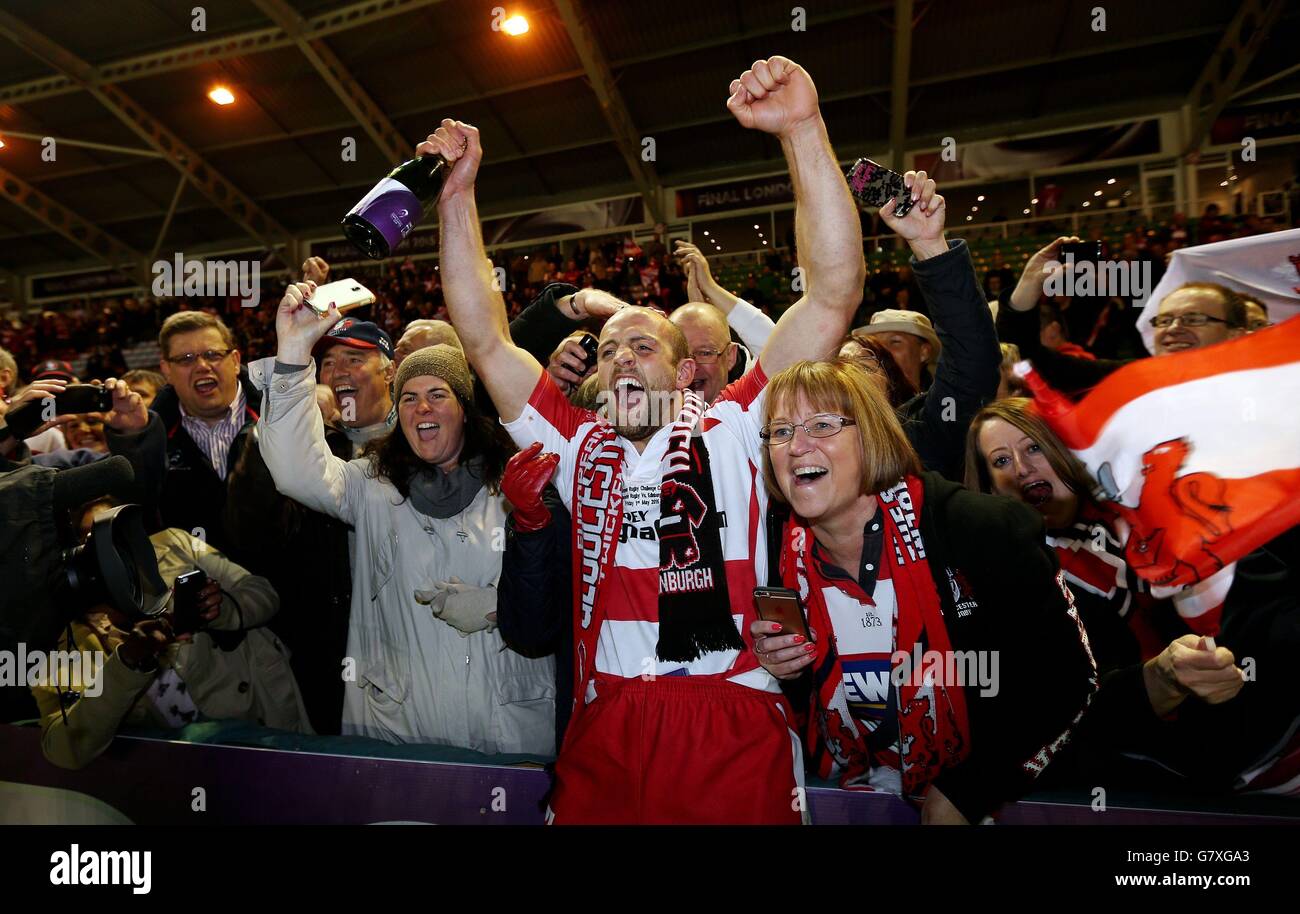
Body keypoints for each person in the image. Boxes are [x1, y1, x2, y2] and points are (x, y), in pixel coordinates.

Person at [433, 56, 866, 823]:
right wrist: (458, 194)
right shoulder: (574, 445)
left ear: (683, 367)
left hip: (729, 713)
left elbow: (832, 293)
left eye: (642, 346)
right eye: (607, 350)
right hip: (607, 718)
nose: (621, 358)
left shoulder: (735, 426)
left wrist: (803, 128)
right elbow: (484, 339)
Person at [751, 360, 1097, 824]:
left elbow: (1069, 685)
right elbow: (800, 704)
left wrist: (965, 790)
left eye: (822, 425)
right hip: (840, 798)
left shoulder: (977, 530)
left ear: (872, 435)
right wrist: (782, 669)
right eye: (780, 431)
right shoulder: (772, 548)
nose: (796, 447)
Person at [259, 292, 556, 753]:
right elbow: (294, 469)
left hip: (505, 720)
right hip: (399, 724)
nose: (422, 408)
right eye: (410, 398)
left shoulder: (516, 483)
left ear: (464, 407)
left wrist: (502, 608)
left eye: (438, 395)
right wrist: (294, 355)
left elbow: (575, 589)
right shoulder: (369, 483)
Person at [963, 398, 1252, 790]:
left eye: (1033, 447)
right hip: (1121, 776)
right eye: (1000, 461)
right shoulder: (1000, 573)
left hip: (1236, 737)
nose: (1021, 467)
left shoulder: (1138, 513)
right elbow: (1049, 709)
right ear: (990, 487)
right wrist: (1157, 682)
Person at [31, 497, 310, 770]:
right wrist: (127, 662)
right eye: (93, 543)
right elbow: (64, 749)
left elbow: (264, 594)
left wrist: (219, 610)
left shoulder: (175, 544)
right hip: (185, 772)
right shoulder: (73, 636)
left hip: (265, 718)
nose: (110, 551)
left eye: (116, 534)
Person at [997, 236, 1252, 397]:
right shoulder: (1130, 378)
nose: (1173, 328)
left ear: (1236, 334)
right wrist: (1030, 283)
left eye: (1194, 318)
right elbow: (1028, 360)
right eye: (1163, 320)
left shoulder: (1274, 394)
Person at [151, 311, 261, 559]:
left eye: (212, 354)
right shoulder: (151, 442)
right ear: (166, 370)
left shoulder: (282, 418)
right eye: (186, 359)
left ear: (235, 361)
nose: (202, 366)